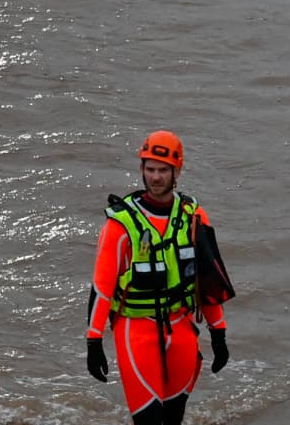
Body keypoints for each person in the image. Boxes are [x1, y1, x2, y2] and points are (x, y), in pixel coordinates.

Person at [84, 130, 233, 425]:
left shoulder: (194, 216)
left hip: (181, 329)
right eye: (149, 169)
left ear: (176, 171)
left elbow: (207, 280)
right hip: (135, 330)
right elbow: (102, 287)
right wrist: (94, 341)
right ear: (141, 169)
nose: (155, 177)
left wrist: (219, 333)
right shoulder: (120, 224)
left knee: (174, 418)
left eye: (162, 170)